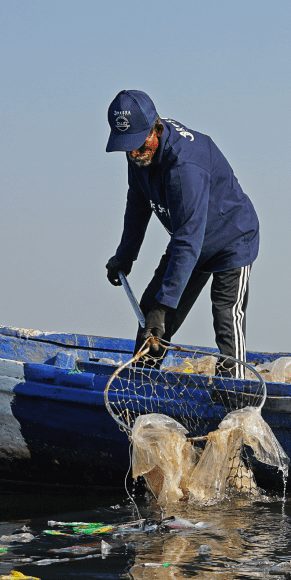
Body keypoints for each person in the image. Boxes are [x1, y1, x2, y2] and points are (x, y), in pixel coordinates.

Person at [103, 89, 259, 376]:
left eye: (139, 144)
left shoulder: (185, 165)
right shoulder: (137, 153)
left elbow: (188, 240)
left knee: (225, 317)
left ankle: (236, 391)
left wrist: (164, 307)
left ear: (157, 129)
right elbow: (137, 203)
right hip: (188, 239)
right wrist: (125, 255)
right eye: (128, 146)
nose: (135, 153)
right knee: (151, 312)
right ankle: (141, 383)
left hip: (230, 240)